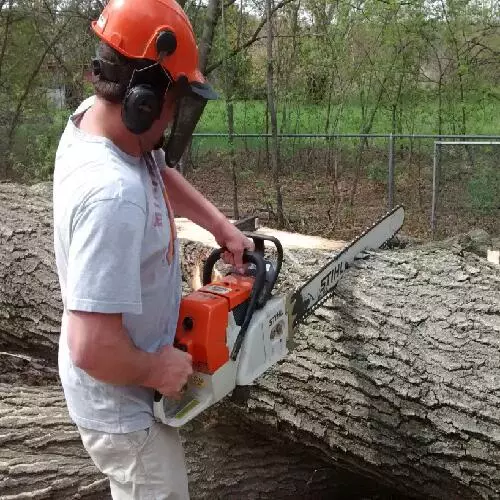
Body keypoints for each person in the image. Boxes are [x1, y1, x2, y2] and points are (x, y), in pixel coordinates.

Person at [52, 0, 253, 498]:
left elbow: (157, 170)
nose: (171, 120)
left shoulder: (100, 122)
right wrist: (158, 368)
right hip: (122, 403)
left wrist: (219, 226)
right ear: (142, 100)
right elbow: (91, 347)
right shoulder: (110, 195)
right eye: (173, 103)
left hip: (127, 381)